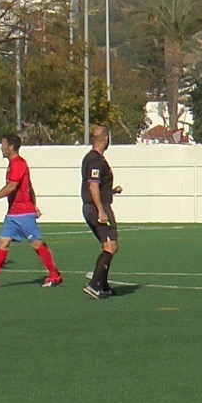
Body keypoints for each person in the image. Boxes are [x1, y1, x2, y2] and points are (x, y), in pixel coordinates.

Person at [0, 134, 62, 289]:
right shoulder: (12, 164)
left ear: (11, 147)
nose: (1, 148)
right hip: (13, 213)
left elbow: (12, 186)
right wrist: (35, 204)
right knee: (2, 242)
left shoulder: (19, 164)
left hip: (23, 213)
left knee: (36, 244)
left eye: (3, 145)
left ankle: (55, 275)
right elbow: (29, 186)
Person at [81, 125, 122, 299]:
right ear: (105, 138)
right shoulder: (96, 160)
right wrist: (101, 210)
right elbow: (93, 185)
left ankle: (103, 286)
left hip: (95, 205)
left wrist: (111, 191)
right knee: (111, 246)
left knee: (108, 245)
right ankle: (94, 284)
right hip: (98, 208)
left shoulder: (91, 158)